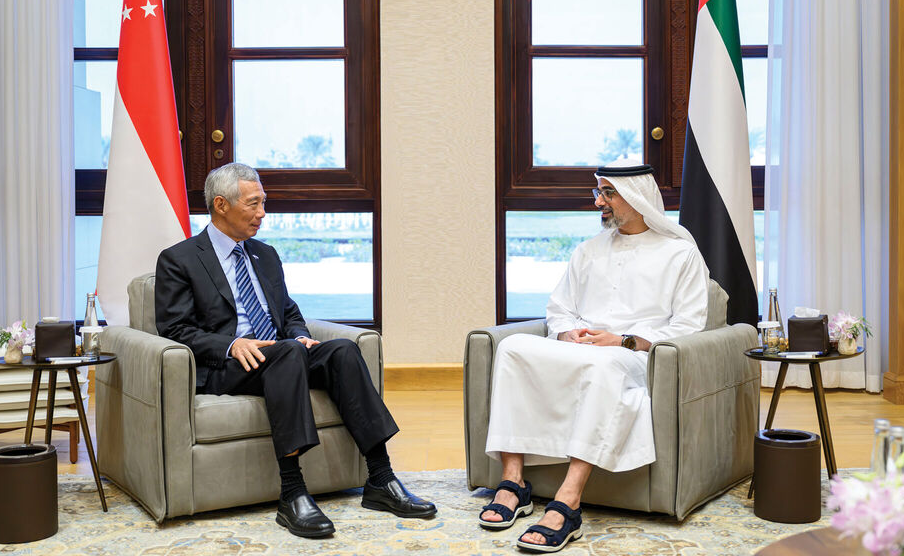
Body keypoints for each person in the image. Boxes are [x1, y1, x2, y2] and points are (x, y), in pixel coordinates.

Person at [155, 162, 435, 538]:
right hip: (227, 364)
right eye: (253, 204)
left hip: (281, 353)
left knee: (343, 351)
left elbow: (286, 310)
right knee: (286, 354)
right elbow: (175, 329)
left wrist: (300, 334)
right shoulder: (180, 259)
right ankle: (292, 492)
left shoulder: (264, 254)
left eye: (263, 203)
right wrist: (232, 344)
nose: (262, 214)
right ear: (221, 205)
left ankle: (381, 479)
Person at [478, 159, 710, 553]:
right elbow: (559, 308)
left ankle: (568, 502)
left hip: (635, 357)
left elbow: (688, 327)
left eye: (608, 193)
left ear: (636, 197)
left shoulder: (680, 255)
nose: (599, 202)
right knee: (512, 347)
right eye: (598, 192)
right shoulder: (588, 251)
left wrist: (623, 340)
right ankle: (514, 480)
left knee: (605, 365)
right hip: (579, 351)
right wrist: (568, 332)